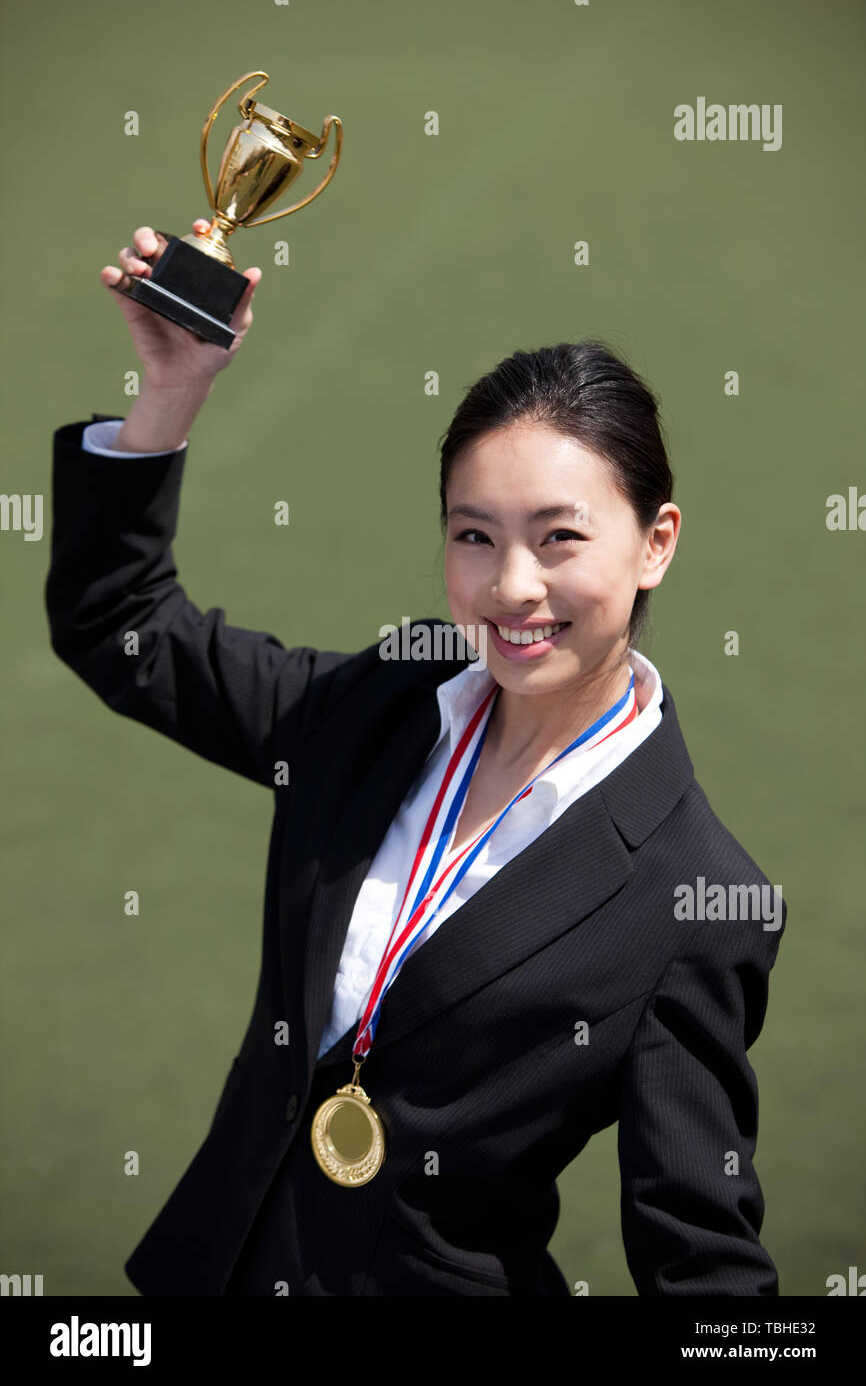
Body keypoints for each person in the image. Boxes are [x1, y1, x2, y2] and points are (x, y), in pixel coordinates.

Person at [45, 224, 786, 1296]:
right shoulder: (384, 700)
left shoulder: (697, 897)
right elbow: (121, 630)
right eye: (472, 535)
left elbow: (700, 1258)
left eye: (559, 538)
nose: (510, 588)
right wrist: (171, 391)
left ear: (655, 542)